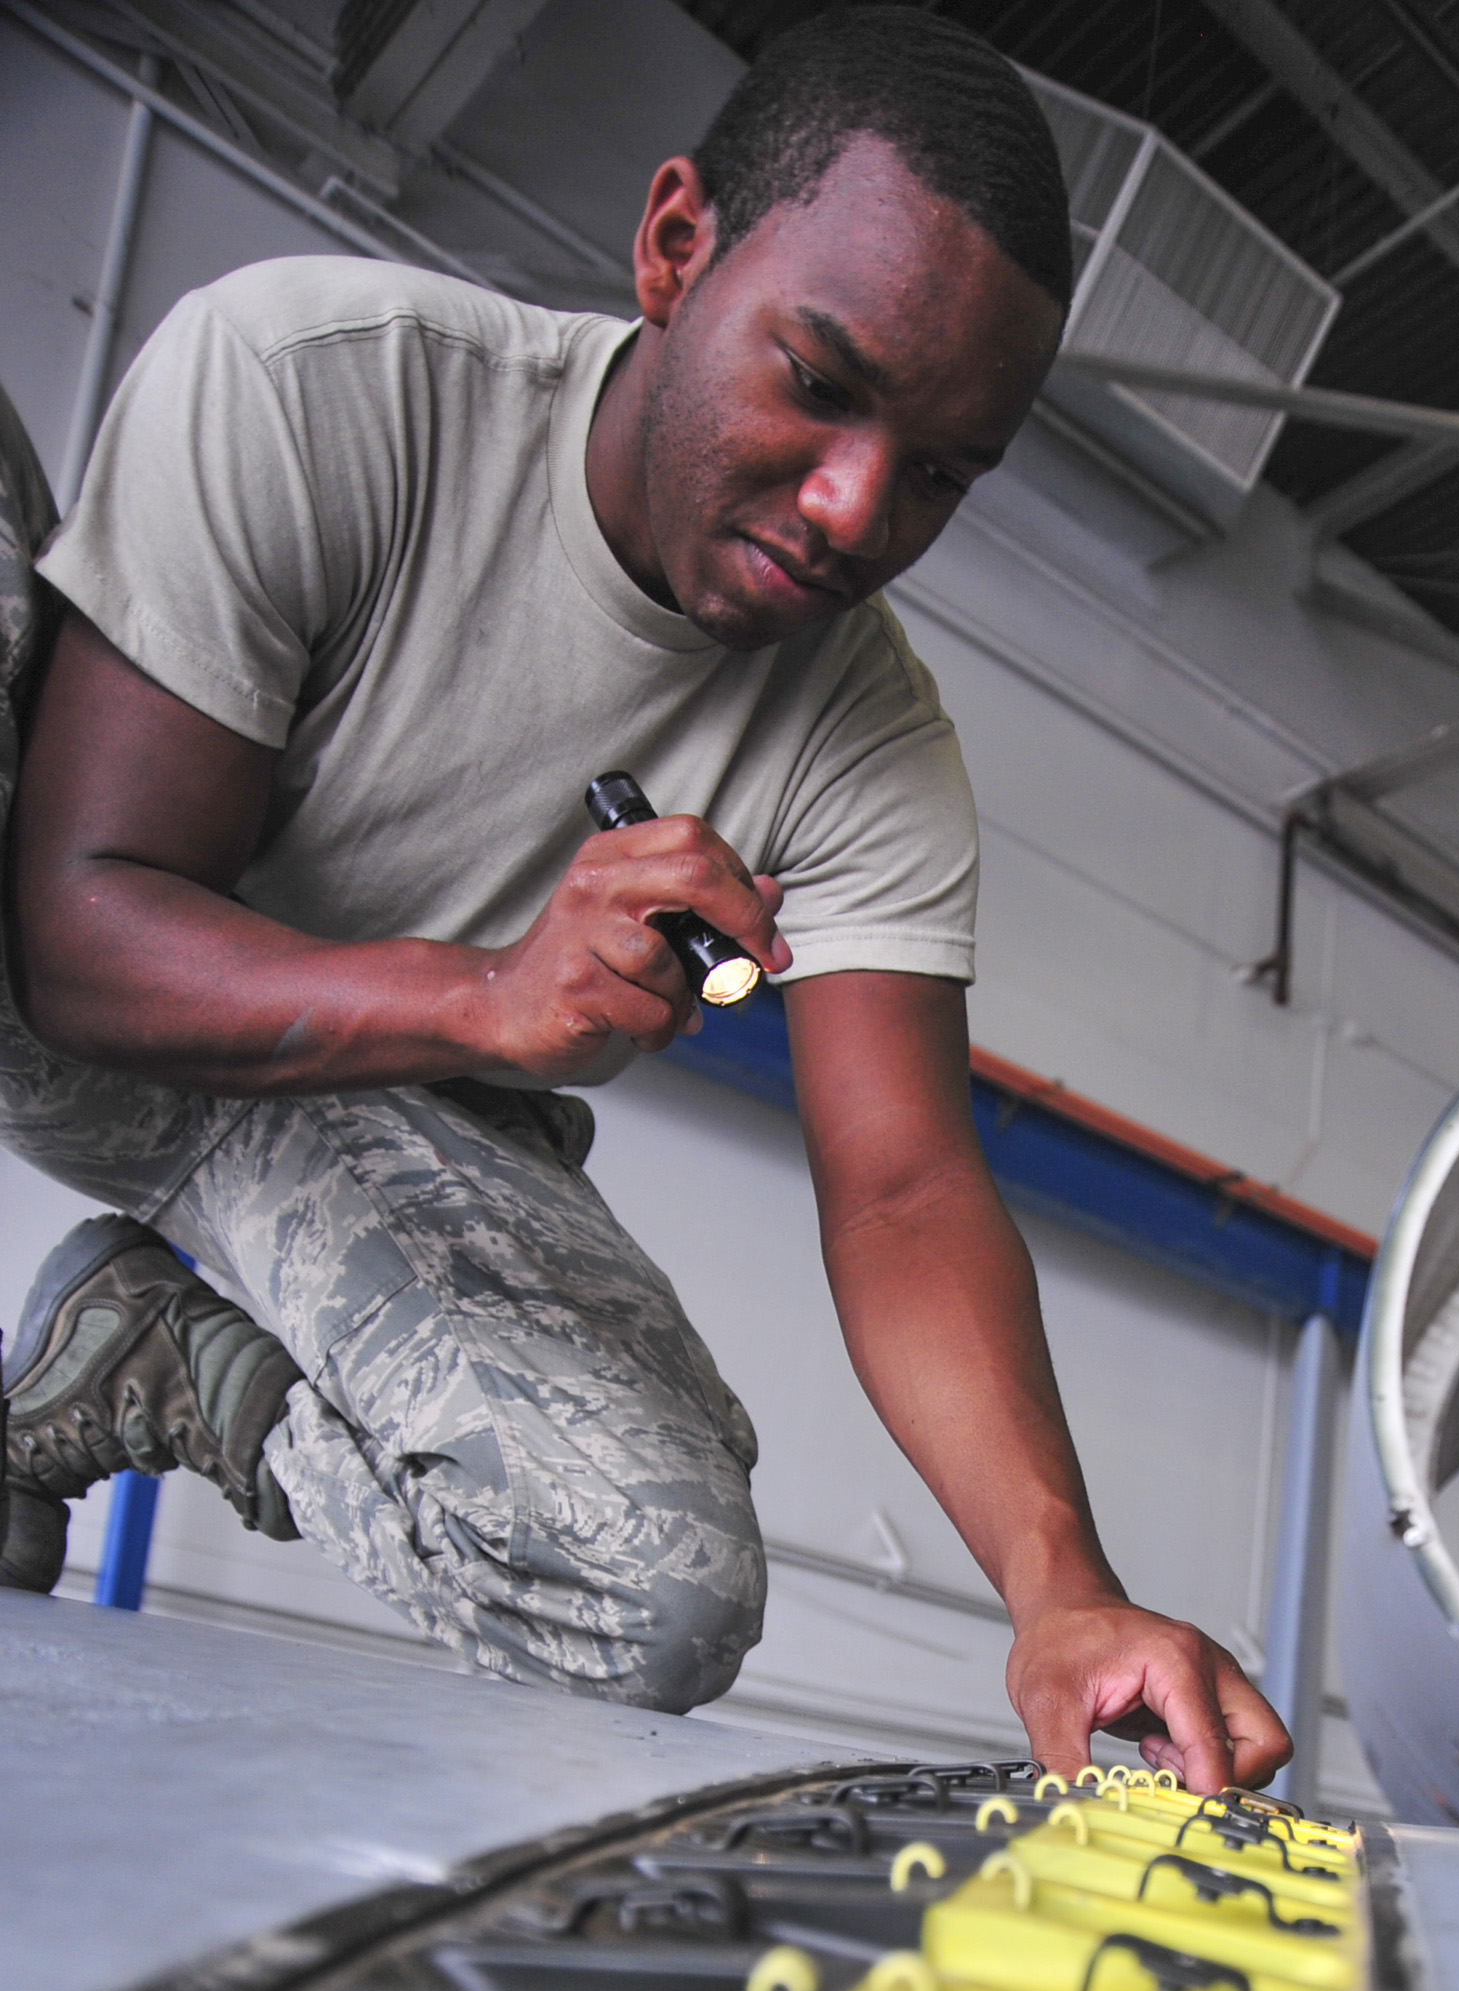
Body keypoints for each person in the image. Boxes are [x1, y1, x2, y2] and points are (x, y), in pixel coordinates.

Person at [0, 9, 1288, 1793]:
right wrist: (482, 993)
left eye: (939, 473)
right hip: (67, 984)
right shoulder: (319, 380)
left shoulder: (875, 746)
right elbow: (70, 938)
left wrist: (1060, 1592)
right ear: (677, 247)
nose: (855, 509)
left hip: (375, 1133)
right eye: (823, 386)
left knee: (657, 1594)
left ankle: (163, 1368)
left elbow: (906, 1191)